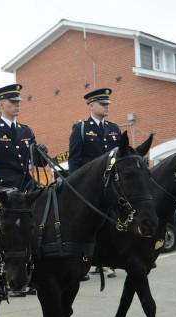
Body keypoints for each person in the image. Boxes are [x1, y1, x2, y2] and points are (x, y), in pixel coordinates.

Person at [0, 84, 48, 299]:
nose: (17, 105)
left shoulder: (26, 131)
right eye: (13, 102)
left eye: (19, 102)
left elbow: (38, 162)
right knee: (0, 232)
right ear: (1, 104)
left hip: (26, 185)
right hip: (4, 187)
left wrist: (42, 152)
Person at [68, 88, 121, 280]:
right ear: (91, 105)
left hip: (111, 184)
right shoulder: (81, 129)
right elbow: (75, 160)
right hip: (90, 185)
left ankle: (108, 260)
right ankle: (87, 260)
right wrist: (74, 187)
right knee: (89, 223)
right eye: (102, 103)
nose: (107, 106)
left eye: (107, 103)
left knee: (113, 219)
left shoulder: (114, 128)